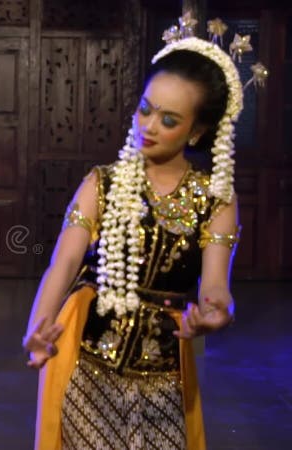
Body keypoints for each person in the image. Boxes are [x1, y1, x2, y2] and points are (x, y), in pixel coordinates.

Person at [22, 17, 255, 449]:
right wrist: (39, 324)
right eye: (145, 109)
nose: (148, 126)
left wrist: (218, 312)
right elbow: (66, 262)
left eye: (168, 120)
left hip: (165, 373)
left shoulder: (216, 200)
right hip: (90, 367)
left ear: (198, 131)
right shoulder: (103, 183)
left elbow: (216, 286)